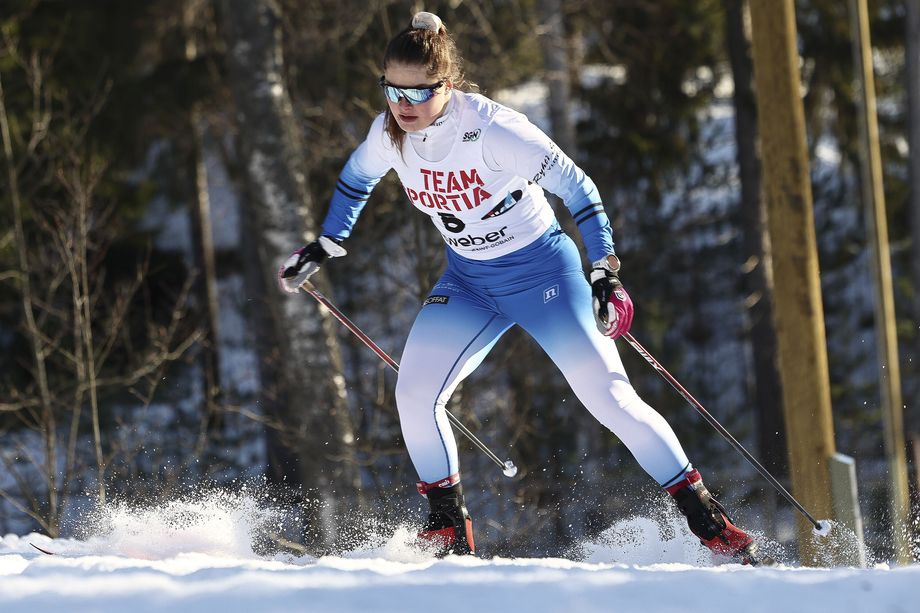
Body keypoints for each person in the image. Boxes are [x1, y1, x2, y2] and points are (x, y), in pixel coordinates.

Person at [280, 11, 759, 564]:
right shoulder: (390, 134)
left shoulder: (492, 130)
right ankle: (447, 531)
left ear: (448, 85)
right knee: (414, 393)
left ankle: (709, 523)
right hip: (468, 280)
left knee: (607, 396)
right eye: (392, 89)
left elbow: (579, 188)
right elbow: (355, 177)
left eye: (418, 91)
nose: (404, 103)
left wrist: (605, 273)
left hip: (544, 274)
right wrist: (326, 243)